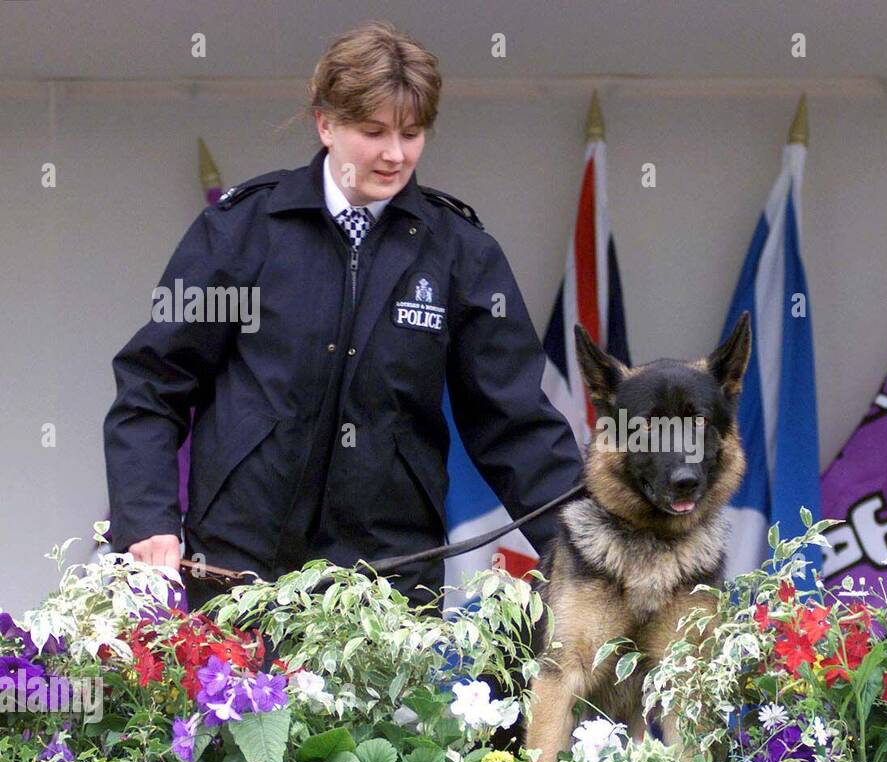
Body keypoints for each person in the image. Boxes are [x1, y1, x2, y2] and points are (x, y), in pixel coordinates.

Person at [103, 21, 583, 612]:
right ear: (325, 123)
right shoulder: (244, 230)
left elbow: (517, 425)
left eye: (412, 133)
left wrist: (590, 556)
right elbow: (154, 384)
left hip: (389, 588)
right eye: (373, 131)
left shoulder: (460, 252)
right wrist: (148, 520)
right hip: (235, 577)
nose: (396, 154)